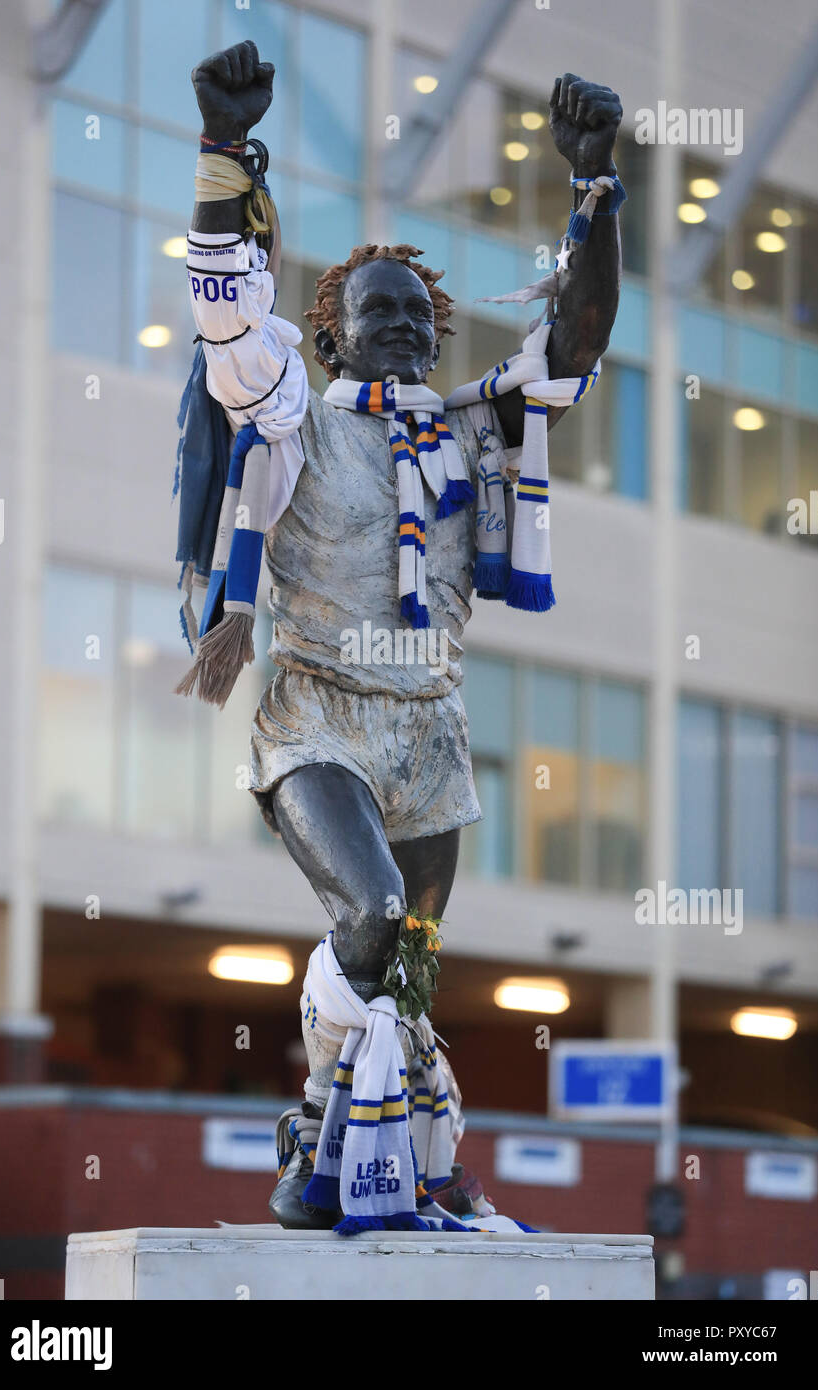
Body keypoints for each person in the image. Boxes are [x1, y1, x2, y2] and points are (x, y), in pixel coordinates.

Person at [176, 41, 623, 1230]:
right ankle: (328, 1131)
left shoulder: (480, 429)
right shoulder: (289, 415)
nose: (397, 330)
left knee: (409, 969)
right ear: (329, 338)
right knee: (369, 918)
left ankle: (375, 1147)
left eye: (415, 317)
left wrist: (594, 190)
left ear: (435, 337)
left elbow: (573, 342)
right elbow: (226, 318)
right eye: (372, 314)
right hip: (315, 712)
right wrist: (224, 158)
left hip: (430, 732)